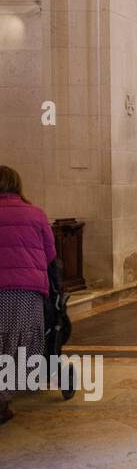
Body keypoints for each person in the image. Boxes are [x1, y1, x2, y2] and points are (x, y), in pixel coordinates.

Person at [0, 166, 56, 426]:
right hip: (25, 291)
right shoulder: (35, 214)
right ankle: (5, 396)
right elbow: (50, 253)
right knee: (19, 343)